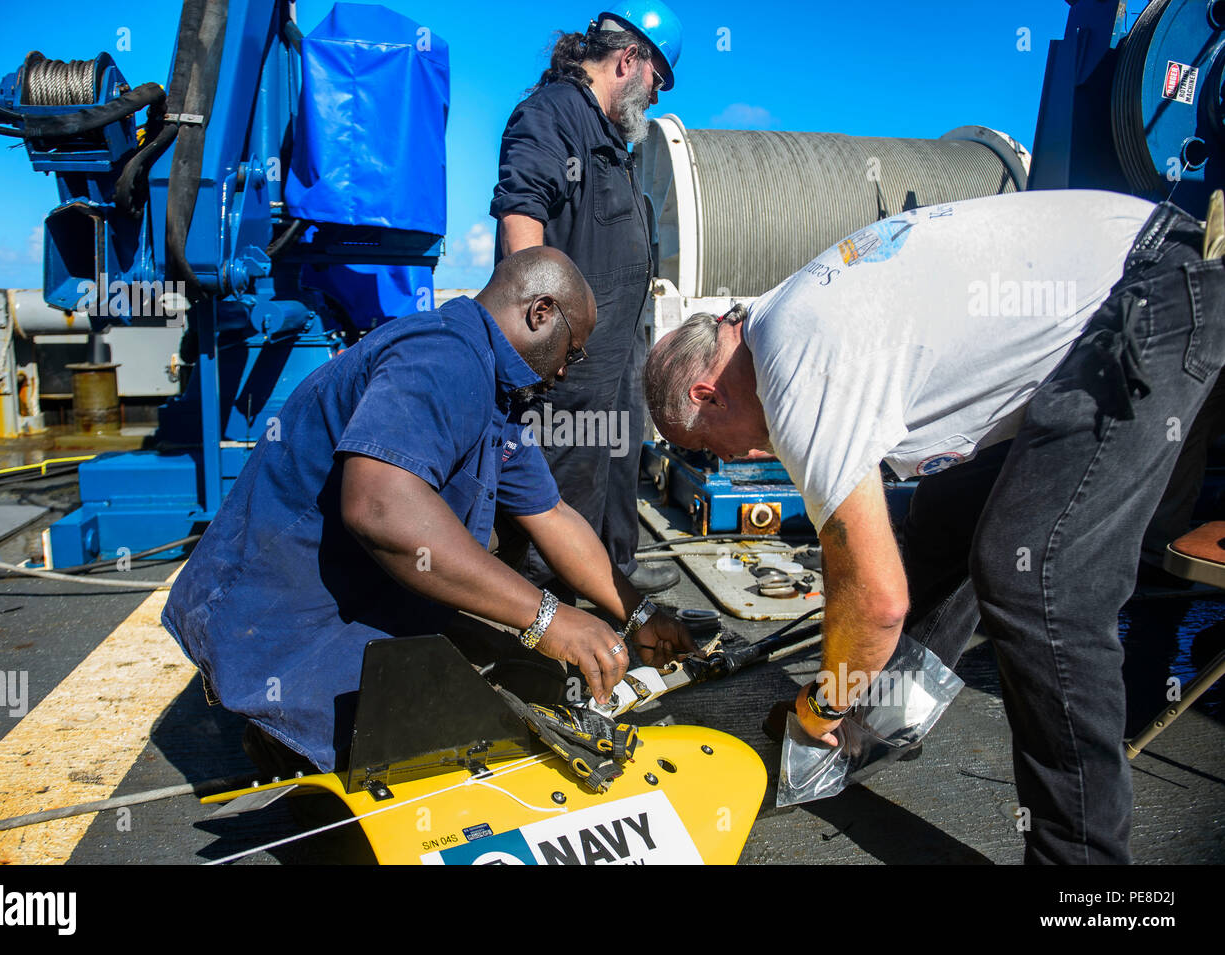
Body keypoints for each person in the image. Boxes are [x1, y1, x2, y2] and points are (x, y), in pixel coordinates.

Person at [642, 189, 1225, 864]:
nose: (735, 459)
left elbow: (875, 599)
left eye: (712, 446)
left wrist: (818, 704)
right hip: (1113, 299)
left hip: (1152, 296)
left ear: (705, 393)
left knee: (1035, 575)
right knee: (943, 523)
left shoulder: (796, 370)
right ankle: (876, 721)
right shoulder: (783, 320)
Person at [162, 246, 693, 775]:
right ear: (540, 313)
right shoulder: (445, 356)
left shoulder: (495, 391)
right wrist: (548, 619)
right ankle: (283, 736)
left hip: (365, 598)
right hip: (283, 624)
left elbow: (551, 515)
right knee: (456, 749)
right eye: (571, 352)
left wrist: (638, 614)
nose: (564, 372)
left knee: (524, 684)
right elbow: (380, 507)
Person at [490, 3, 683, 596]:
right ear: (631, 59)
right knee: (560, 490)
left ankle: (612, 577)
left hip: (614, 358)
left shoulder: (608, 136)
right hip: (568, 367)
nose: (653, 97)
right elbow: (522, 208)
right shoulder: (553, 114)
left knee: (617, 464)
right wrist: (538, 332)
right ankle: (545, 626)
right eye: (656, 81)